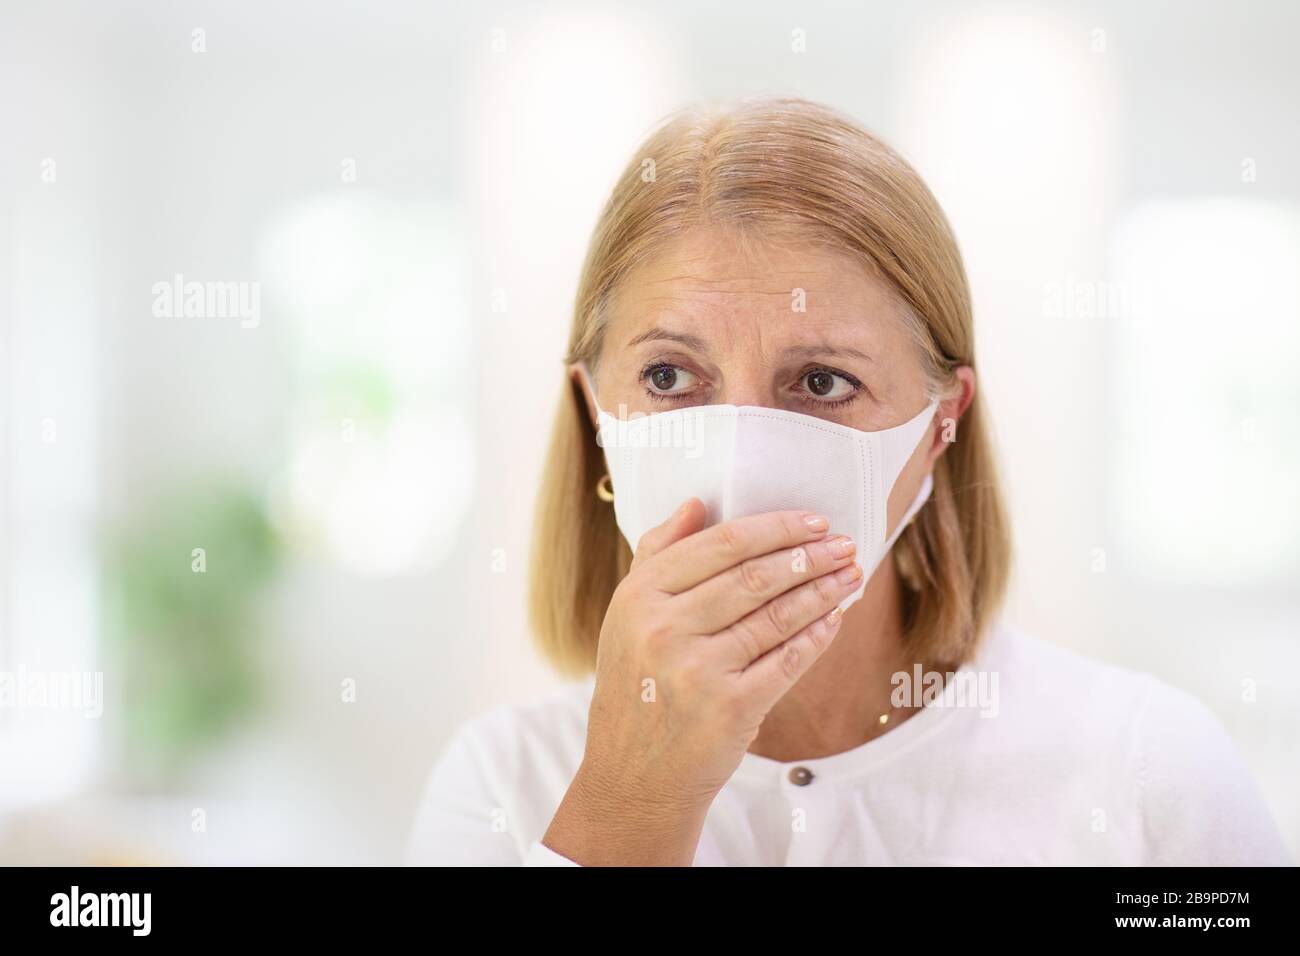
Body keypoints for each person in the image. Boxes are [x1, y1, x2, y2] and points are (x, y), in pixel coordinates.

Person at [406, 97, 1291, 866]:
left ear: (944, 423)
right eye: (671, 378)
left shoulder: (1147, 774)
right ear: (595, 414)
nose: (743, 456)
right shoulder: (502, 785)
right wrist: (634, 807)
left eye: (822, 382)